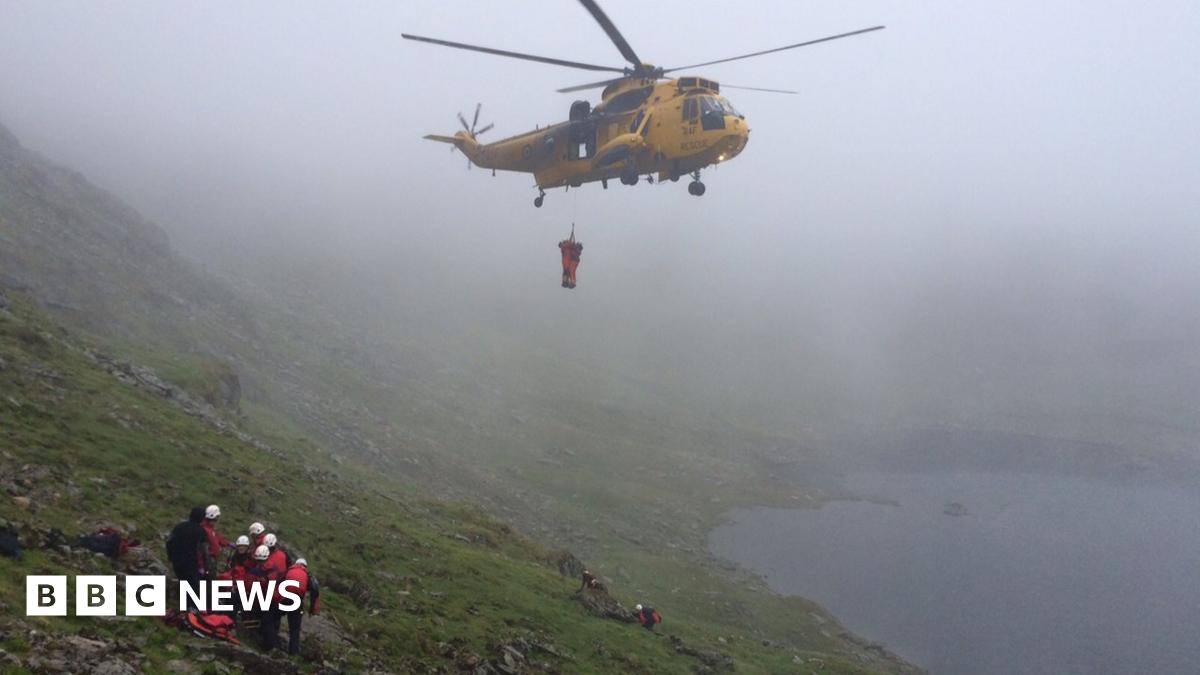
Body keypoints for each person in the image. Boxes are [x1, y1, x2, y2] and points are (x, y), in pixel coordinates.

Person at [264, 557, 321, 654]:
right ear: (305, 566)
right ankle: (293, 652)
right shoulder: (308, 575)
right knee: (294, 629)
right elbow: (315, 592)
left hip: (285, 599)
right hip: (297, 602)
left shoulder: (289, 571)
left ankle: (272, 644)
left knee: (269, 619)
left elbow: (277, 583)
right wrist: (312, 610)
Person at [166, 506, 207, 600]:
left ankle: (184, 609)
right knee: (193, 588)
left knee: (183, 583)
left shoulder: (179, 527)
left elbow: (169, 542)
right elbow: (203, 550)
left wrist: (170, 557)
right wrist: (205, 566)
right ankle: (191, 610)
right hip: (191, 564)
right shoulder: (200, 531)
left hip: (177, 563)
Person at [200, 505, 230, 577]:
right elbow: (212, 543)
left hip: (212, 558)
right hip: (207, 559)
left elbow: (218, 537)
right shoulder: (205, 529)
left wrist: (227, 543)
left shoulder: (210, 528)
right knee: (208, 578)